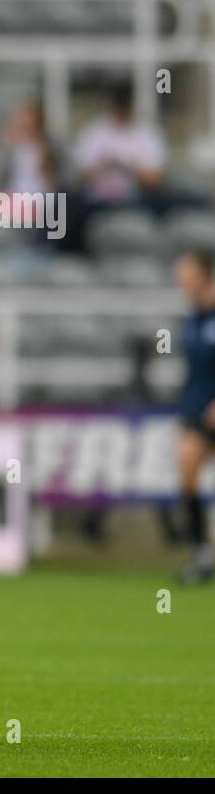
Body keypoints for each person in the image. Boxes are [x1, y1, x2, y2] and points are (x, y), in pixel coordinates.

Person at [174, 249, 215, 584]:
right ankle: (201, 553)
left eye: (185, 270)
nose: (180, 277)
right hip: (198, 411)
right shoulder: (190, 319)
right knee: (186, 468)